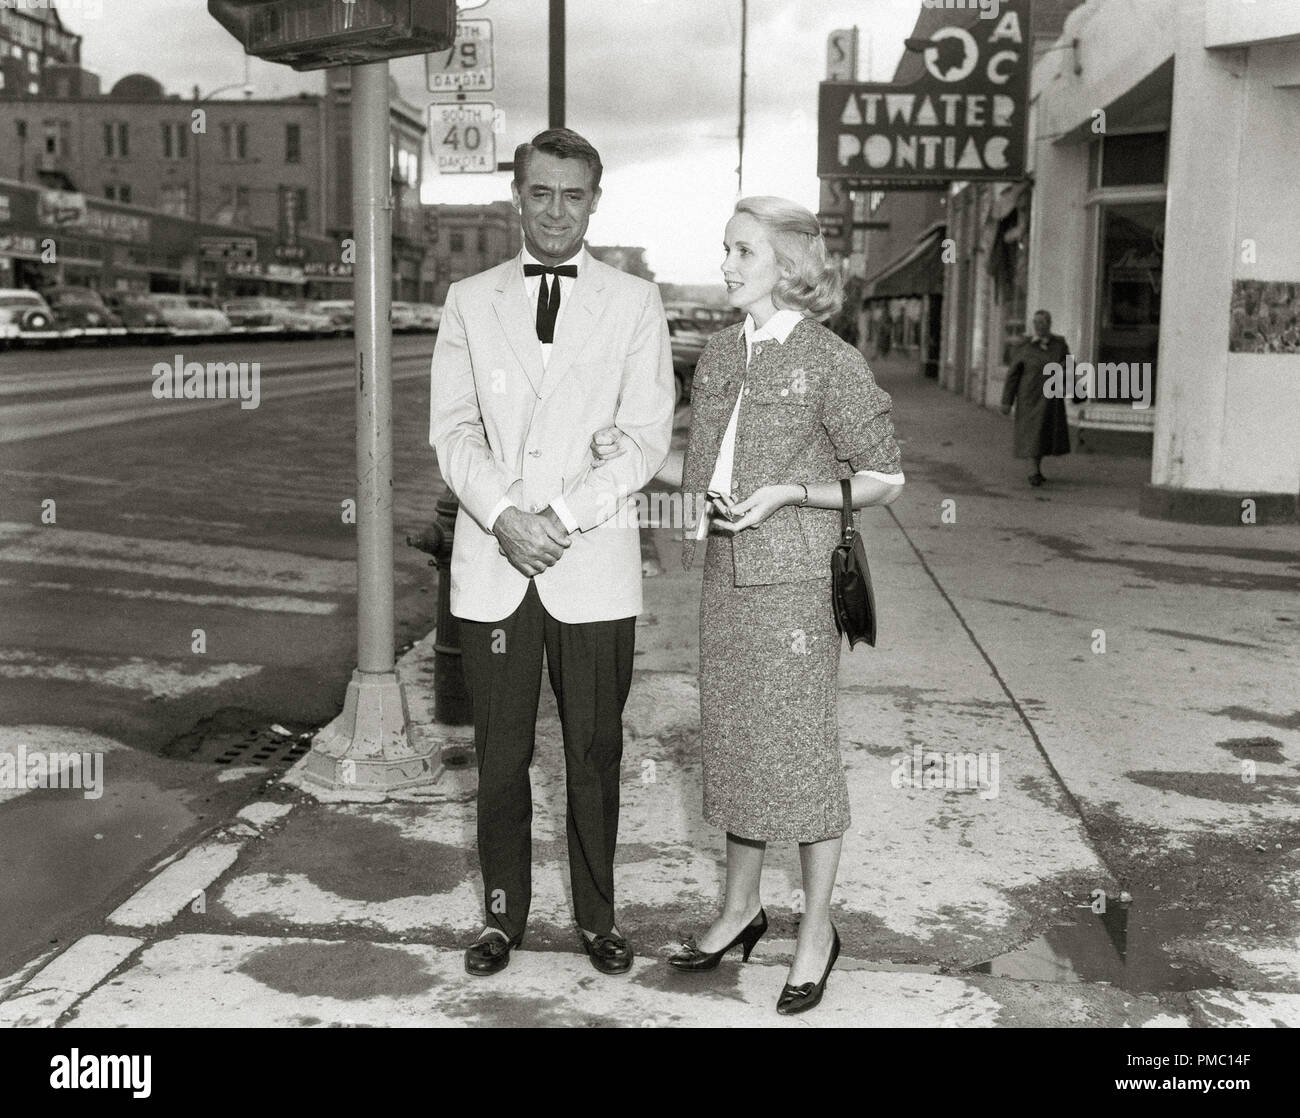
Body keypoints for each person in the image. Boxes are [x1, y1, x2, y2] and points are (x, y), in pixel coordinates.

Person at [590, 196, 904, 1014]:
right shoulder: (726, 353)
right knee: (734, 746)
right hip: (726, 578)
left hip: (797, 589)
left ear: (790, 268)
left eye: (742, 252)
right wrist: (629, 452)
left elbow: (884, 476)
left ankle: (817, 931)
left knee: (799, 757)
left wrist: (788, 494)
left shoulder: (831, 361)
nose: (726, 264)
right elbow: (702, 477)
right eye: (726, 249)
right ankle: (740, 910)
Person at [428, 128, 675, 979]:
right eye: (541, 193)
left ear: (595, 202)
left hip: (591, 565)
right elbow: (453, 432)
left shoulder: (635, 303)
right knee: (498, 757)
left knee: (594, 753)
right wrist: (504, 517)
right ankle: (502, 919)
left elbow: (645, 441)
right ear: (518, 198)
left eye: (574, 195)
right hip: (495, 565)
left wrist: (557, 516)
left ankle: (600, 920)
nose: (556, 210)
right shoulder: (469, 300)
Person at [1000, 309, 1072, 486]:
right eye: (1036, 323)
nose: (1039, 326)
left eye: (1042, 322)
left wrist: (1066, 372)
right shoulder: (1023, 346)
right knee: (1031, 433)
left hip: (1050, 397)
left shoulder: (1059, 344)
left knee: (1044, 434)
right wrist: (1007, 401)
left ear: (1049, 324)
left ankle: (1037, 469)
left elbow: (1069, 365)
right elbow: (1013, 375)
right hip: (1029, 396)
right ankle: (1034, 471)